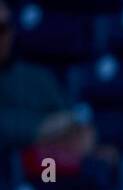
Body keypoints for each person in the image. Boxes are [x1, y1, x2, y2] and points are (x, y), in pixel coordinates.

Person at [0, 1, 115, 175]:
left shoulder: (36, 77)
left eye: (2, 29)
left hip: (44, 168)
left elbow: (72, 126)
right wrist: (43, 128)